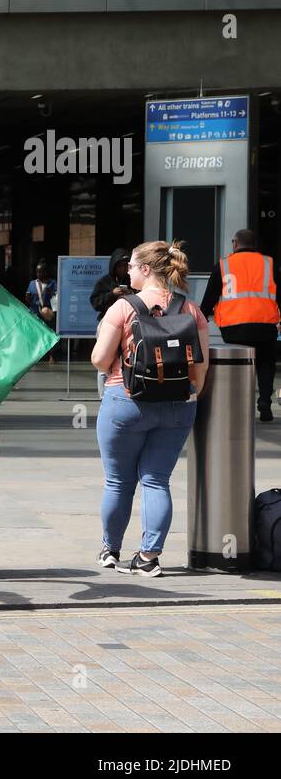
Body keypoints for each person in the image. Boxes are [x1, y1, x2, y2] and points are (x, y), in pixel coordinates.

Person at [91, 240, 209, 578]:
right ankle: (148, 557)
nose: (127, 271)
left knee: (117, 482)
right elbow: (201, 366)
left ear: (145, 269)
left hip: (126, 401)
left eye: (131, 266)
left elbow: (100, 361)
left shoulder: (123, 308)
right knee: (157, 480)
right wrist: (189, 395)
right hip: (178, 406)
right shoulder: (191, 310)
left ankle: (110, 551)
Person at [200, 229, 280, 422]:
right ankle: (264, 403)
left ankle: (237, 407)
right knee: (265, 362)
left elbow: (209, 299)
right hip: (265, 324)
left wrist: (200, 318)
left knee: (236, 364)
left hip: (233, 327)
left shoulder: (223, 265)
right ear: (256, 245)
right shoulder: (270, 264)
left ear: (235, 243)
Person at [89, 247, 132, 397]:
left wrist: (131, 294)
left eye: (126, 265)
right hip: (107, 324)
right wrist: (111, 294)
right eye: (120, 265)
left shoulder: (133, 280)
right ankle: (103, 396)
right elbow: (95, 303)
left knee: (125, 360)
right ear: (114, 266)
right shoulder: (104, 282)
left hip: (127, 325)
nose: (123, 269)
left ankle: (125, 391)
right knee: (103, 362)